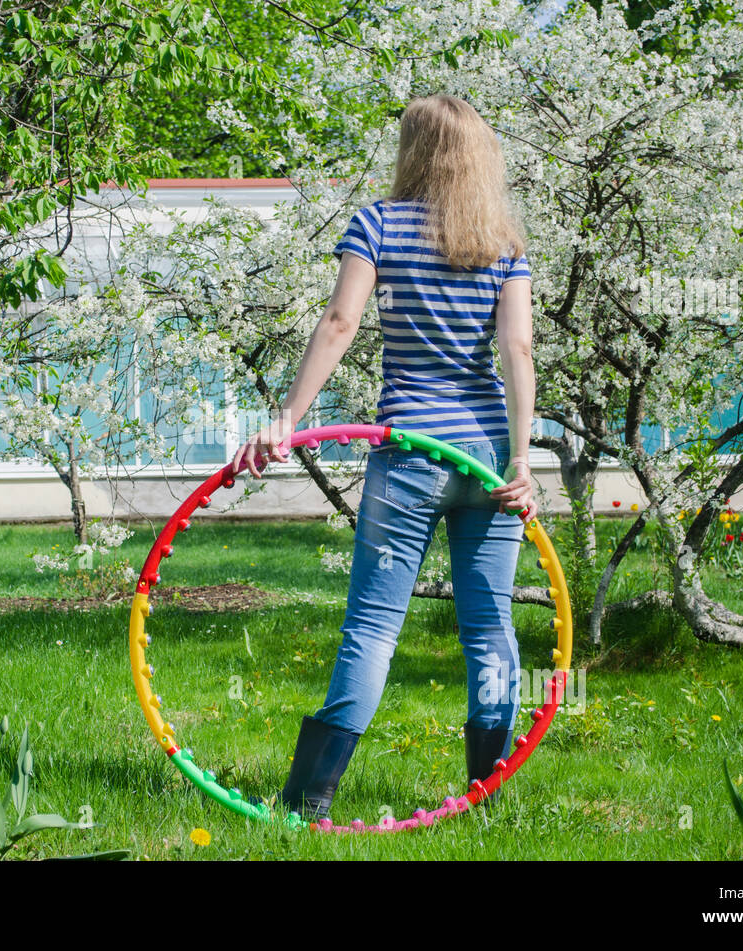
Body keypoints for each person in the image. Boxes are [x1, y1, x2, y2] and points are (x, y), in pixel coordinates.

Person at [232, 94, 538, 821]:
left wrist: (285, 419)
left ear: (414, 151)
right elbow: (518, 350)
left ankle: (310, 801)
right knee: (489, 626)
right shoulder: (503, 240)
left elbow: (341, 322)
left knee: (373, 627)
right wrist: (522, 459)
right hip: (489, 456)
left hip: (408, 452)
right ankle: (486, 793)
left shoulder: (377, 222)